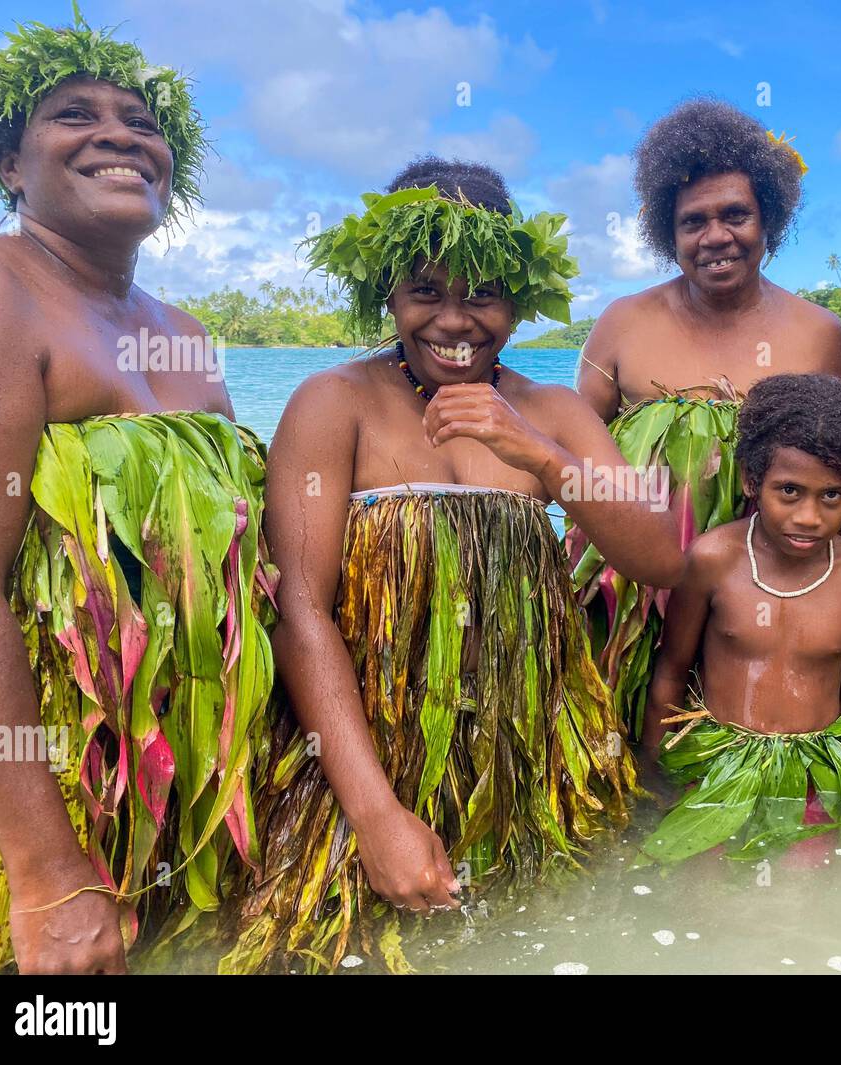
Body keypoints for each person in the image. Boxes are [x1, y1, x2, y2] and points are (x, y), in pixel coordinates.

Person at [224, 157, 683, 973]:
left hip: (521, 767)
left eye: (482, 294)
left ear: (518, 300)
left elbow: (657, 555)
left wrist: (539, 454)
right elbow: (301, 615)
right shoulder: (336, 403)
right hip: (368, 768)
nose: (455, 319)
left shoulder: (552, 411)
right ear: (389, 295)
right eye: (426, 291)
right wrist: (374, 818)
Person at [0, 13, 276, 976]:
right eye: (75, 115)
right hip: (57, 785)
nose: (120, 135)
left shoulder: (181, 331)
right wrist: (47, 870)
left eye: (142, 123)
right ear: (11, 162)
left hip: (190, 791)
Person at [571, 98, 841, 739]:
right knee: (622, 744)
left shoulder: (821, 336)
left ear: (769, 220)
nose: (716, 237)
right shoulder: (623, 323)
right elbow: (573, 451)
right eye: (693, 221)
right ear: (668, 234)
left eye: (736, 215)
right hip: (630, 595)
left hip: (762, 602)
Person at [639, 374, 841, 864]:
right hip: (714, 763)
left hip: (811, 772)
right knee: (700, 887)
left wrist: (840, 781)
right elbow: (671, 671)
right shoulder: (714, 560)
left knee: (796, 898)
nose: (808, 517)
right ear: (752, 482)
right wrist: (656, 775)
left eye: (831, 496)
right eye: (789, 491)